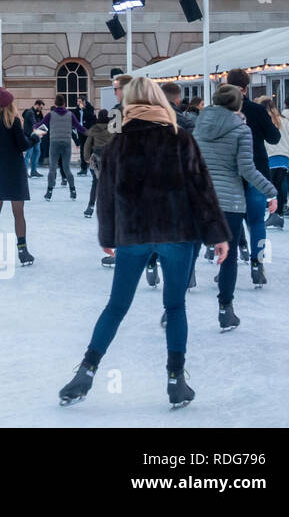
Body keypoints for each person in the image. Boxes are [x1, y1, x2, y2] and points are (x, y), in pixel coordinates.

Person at [58, 78, 230, 410]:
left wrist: (108, 236)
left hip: (133, 235)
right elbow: (201, 189)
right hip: (177, 233)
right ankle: (175, 380)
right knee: (175, 306)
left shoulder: (119, 144)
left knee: (116, 306)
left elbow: (106, 195)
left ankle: (87, 369)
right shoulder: (180, 138)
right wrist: (217, 234)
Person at [193, 84, 279, 332]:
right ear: (238, 104)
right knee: (227, 255)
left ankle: (172, 307)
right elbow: (246, 170)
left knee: (191, 248)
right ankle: (225, 308)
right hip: (229, 200)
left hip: (200, 196)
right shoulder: (241, 129)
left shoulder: (201, 124)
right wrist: (270, 190)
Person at [226, 68, 280, 284]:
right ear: (247, 87)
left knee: (231, 222)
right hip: (256, 171)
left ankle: (227, 270)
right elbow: (274, 138)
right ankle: (257, 262)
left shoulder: (220, 110)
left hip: (230, 174)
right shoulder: (257, 110)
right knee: (257, 221)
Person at [0, 88, 35, 265]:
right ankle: (23, 251)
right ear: (10, 103)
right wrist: (35, 138)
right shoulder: (14, 122)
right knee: (18, 213)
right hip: (14, 171)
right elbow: (22, 146)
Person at [34, 95, 85, 201]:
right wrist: (89, 132)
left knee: (52, 168)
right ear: (64, 103)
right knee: (66, 168)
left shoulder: (50, 114)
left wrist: (34, 128)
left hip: (54, 143)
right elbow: (79, 127)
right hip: (66, 143)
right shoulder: (70, 115)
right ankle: (73, 190)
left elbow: (41, 125)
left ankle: (49, 192)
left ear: (55, 104)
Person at [258, 96, 289, 219]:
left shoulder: (262, 121)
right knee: (279, 185)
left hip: (269, 157)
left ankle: (274, 215)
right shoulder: (284, 121)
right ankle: (278, 214)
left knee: (271, 187)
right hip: (284, 157)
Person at [81, 109, 115, 219]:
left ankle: (90, 207)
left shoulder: (94, 128)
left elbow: (87, 144)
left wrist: (86, 158)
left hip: (96, 158)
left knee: (95, 183)